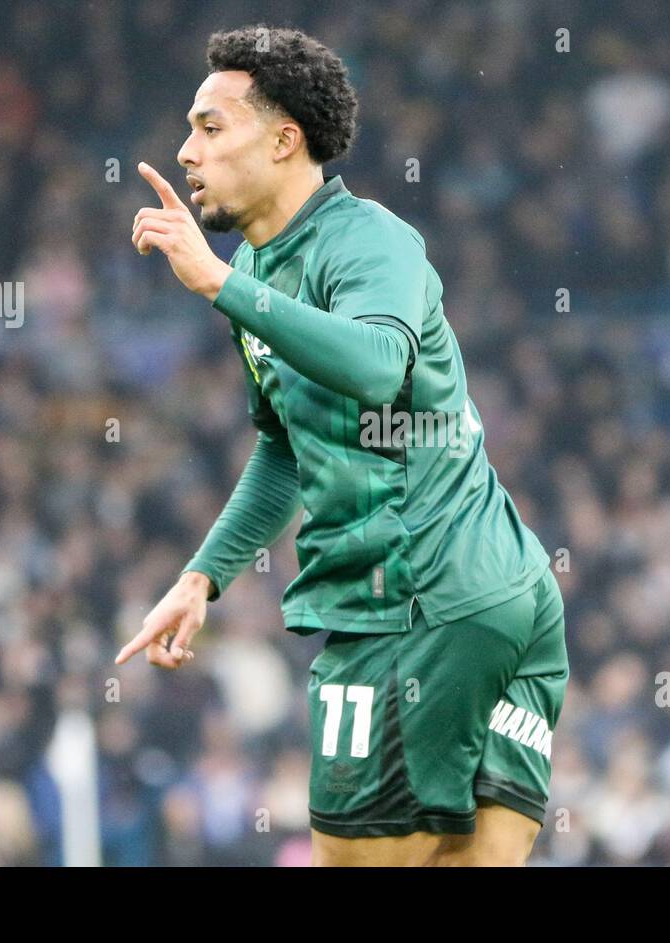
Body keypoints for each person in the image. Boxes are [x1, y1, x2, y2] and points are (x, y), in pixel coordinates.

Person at [116, 24, 567, 866]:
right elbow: (286, 449)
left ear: (285, 139)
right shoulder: (261, 277)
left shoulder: (366, 239)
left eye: (211, 128)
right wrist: (203, 576)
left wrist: (216, 282)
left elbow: (376, 363)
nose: (186, 151)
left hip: (419, 605)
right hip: (490, 600)